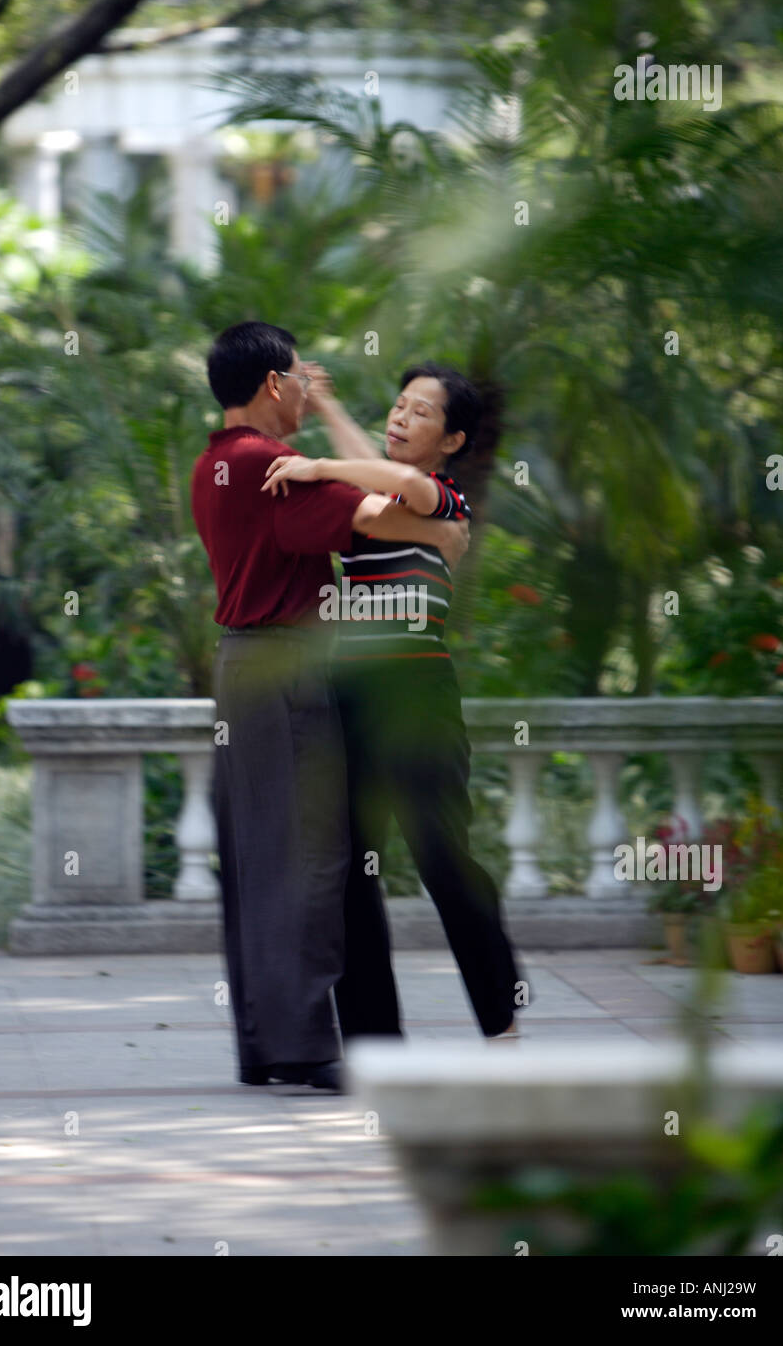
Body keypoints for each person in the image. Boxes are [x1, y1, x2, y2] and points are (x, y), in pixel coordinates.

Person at [190, 323, 470, 1091]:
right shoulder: (272, 463)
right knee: (315, 859)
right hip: (286, 667)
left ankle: (266, 1045)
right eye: (297, 381)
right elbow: (376, 509)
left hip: (240, 667)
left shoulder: (213, 462)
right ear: (276, 385)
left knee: (256, 861)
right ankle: (310, 1047)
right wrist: (446, 533)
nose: (306, 393)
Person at [261, 361, 524, 1043]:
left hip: (420, 701)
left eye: (422, 413)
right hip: (349, 701)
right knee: (349, 869)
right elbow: (371, 471)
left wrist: (315, 465)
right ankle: (375, 1041)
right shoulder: (385, 510)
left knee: (443, 858)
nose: (402, 418)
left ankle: (500, 1019)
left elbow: (399, 481)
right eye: (399, 406)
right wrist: (325, 406)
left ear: (454, 441)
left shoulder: (445, 501)